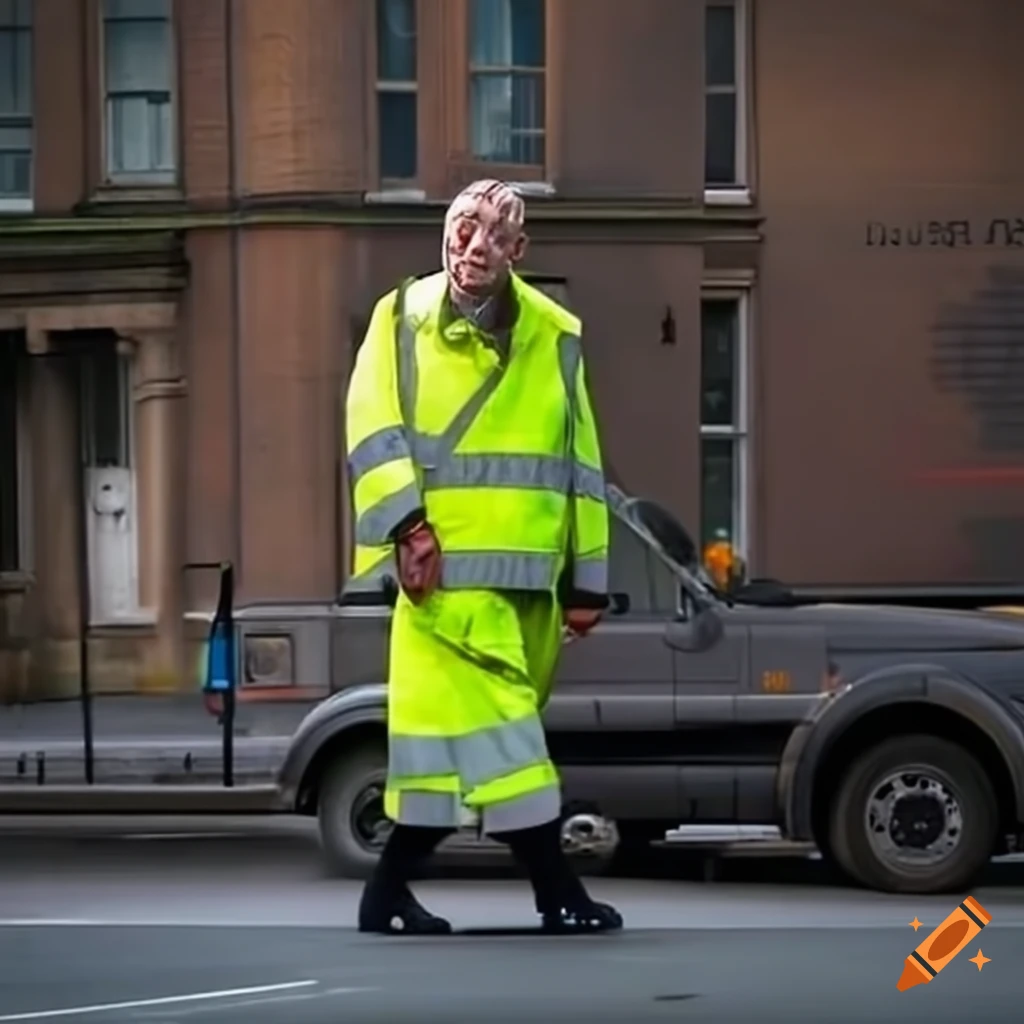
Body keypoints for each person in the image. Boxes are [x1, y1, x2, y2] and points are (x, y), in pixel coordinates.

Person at [344, 178, 622, 936]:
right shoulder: (400, 319)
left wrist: (587, 581)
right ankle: (557, 891)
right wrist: (408, 525)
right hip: (443, 582)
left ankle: (386, 894)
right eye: (462, 226)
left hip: (528, 583)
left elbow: (582, 464)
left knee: (443, 765)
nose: (471, 246)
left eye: (492, 234)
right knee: (511, 742)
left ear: (519, 250)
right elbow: (371, 427)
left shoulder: (556, 334)